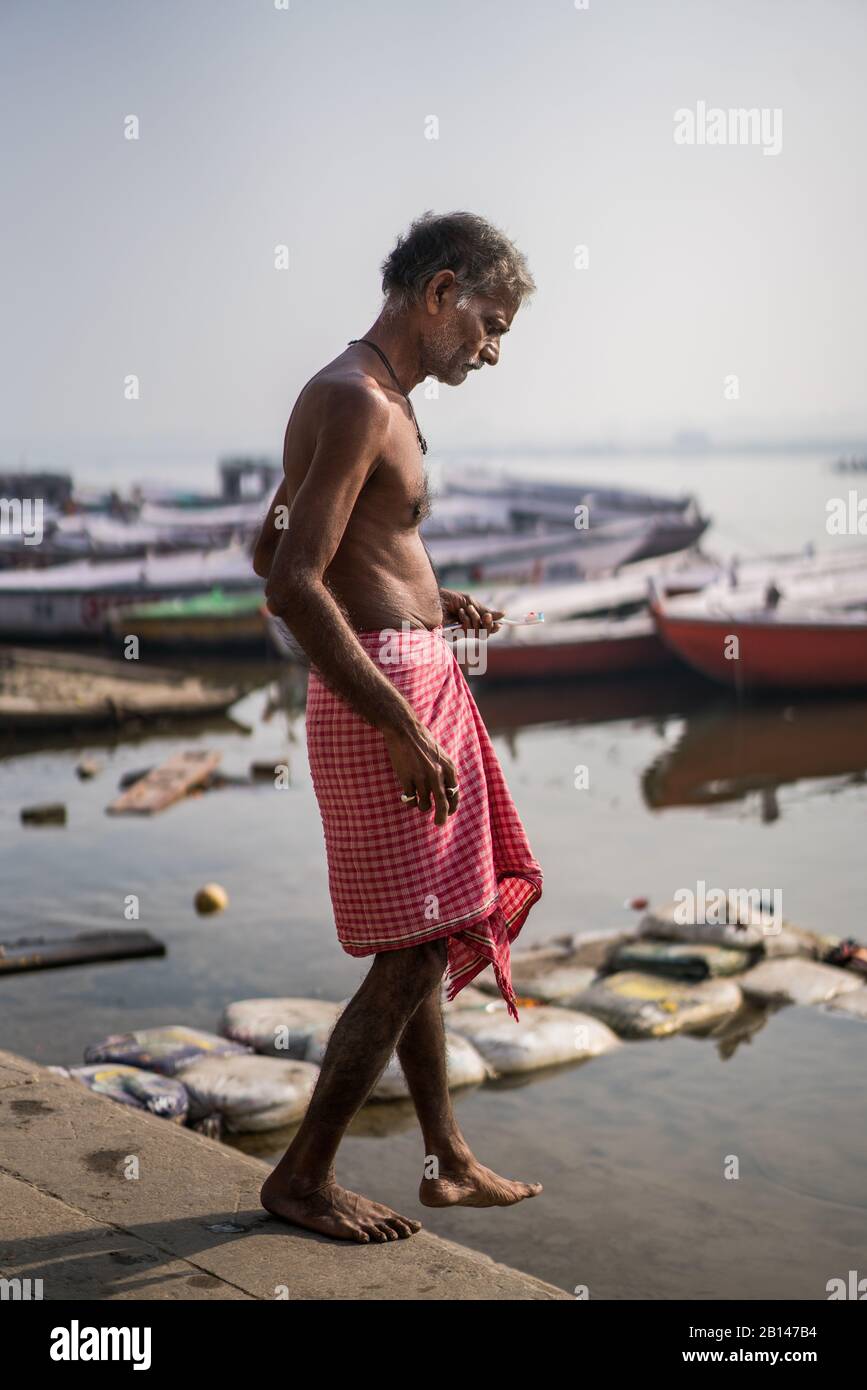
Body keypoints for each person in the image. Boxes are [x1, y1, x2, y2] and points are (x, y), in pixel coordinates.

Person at [252, 211, 544, 1244]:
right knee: (415, 954)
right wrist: (397, 723)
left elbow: (268, 544)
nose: (492, 349)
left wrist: (426, 596)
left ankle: (447, 1157)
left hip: (404, 672)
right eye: (490, 324)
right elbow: (291, 584)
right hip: (387, 698)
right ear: (441, 291)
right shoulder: (356, 399)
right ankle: (302, 1174)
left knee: (427, 936)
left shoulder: (368, 397)